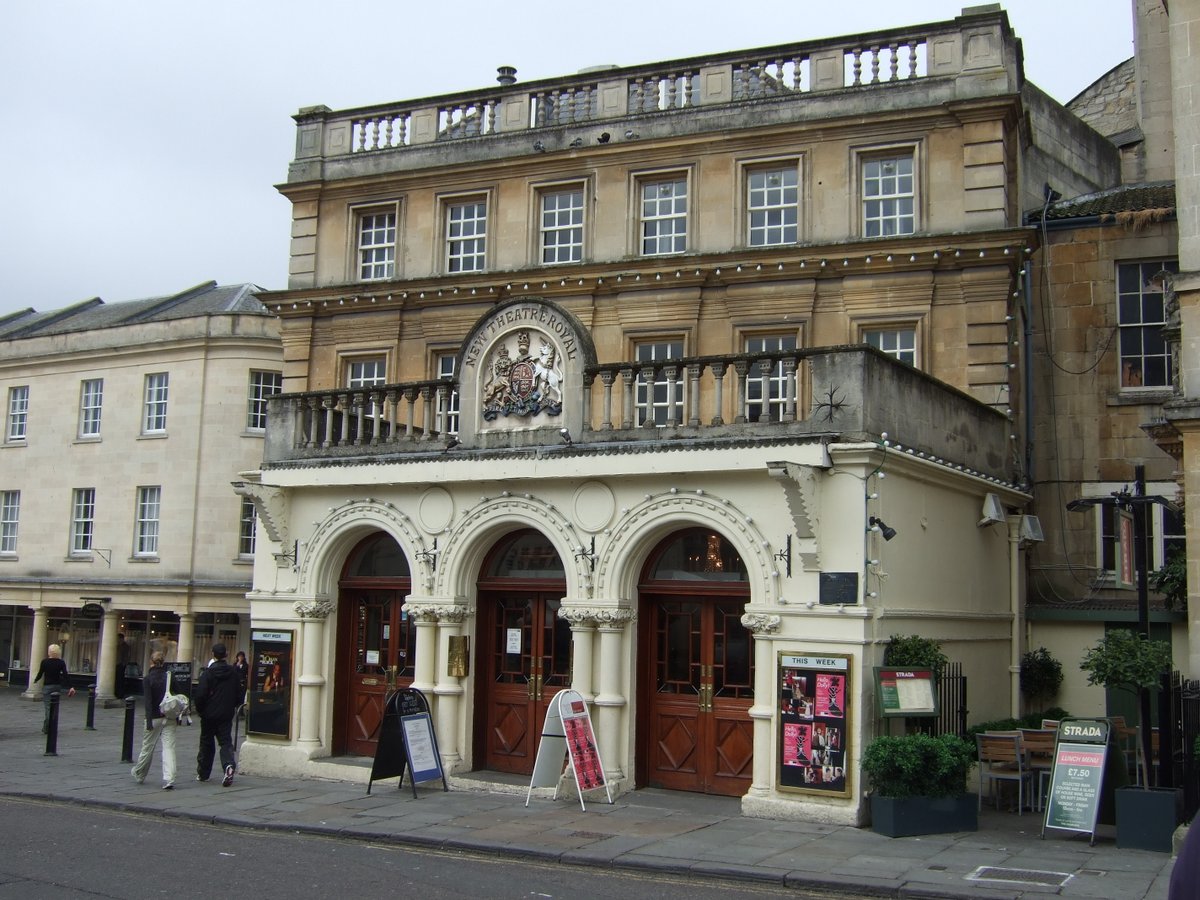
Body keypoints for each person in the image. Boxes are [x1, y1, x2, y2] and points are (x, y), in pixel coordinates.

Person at [192, 642, 240, 786]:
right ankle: (228, 765)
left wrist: (200, 710)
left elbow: (200, 695)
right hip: (226, 713)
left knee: (206, 743)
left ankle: (203, 773)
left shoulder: (208, 673)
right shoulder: (233, 673)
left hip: (209, 714)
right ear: (226, 655)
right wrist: (232, 706)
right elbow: (239, 693)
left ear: (213, 654)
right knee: (225, 742)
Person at [130, 651, 177, 789]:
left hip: (154, 717)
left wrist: (149, 720)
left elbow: (148, 702)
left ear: (151, 662)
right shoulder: (170, 677)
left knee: (147, 747)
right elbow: (178, 695)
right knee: (169, 748)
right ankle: (169, 779)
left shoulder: (148, 679)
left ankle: (139, 773)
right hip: (169, 716)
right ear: (163, 662)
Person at [33, 643, 76, 734]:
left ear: (49, 652)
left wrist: (36, 680)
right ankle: (48, 727)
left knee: (48, 707)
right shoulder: (61, 662)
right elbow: (65, 675)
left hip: (47, 686)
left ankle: (48, 728)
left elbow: (40, 673)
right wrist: (71, 686)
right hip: (57, 686)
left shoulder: (44, 662)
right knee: (55, 707)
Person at [115, 632, 129, 698]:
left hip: (121, 665)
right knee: (116, 679)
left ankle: (120, 694)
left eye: (118, 639)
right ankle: (116, 692)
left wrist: (124, 664)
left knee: (120, 679)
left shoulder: (125, 646)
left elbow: (126, 656)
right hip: (116, 664)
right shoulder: (116, 645)